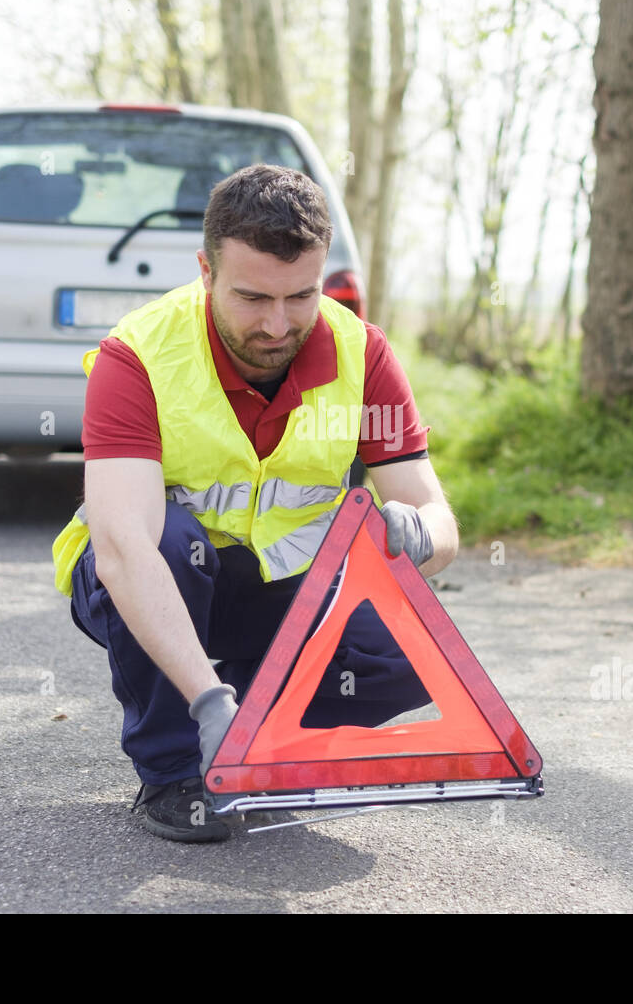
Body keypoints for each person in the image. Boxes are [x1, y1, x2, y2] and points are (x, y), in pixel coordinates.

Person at [51, 163, 459, 842]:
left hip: (280, 595)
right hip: (154, 585)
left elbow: (440, 521)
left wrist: (414, 533)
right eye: (252, 298)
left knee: (414, 656)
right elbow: (123, 548)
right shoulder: (139, 357)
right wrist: (207, 703)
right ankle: (177, 764)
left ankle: (263, 726)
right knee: (166, 544)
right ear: (206, 272)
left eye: (300, 296)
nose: (277, 324)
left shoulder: (362, 354)